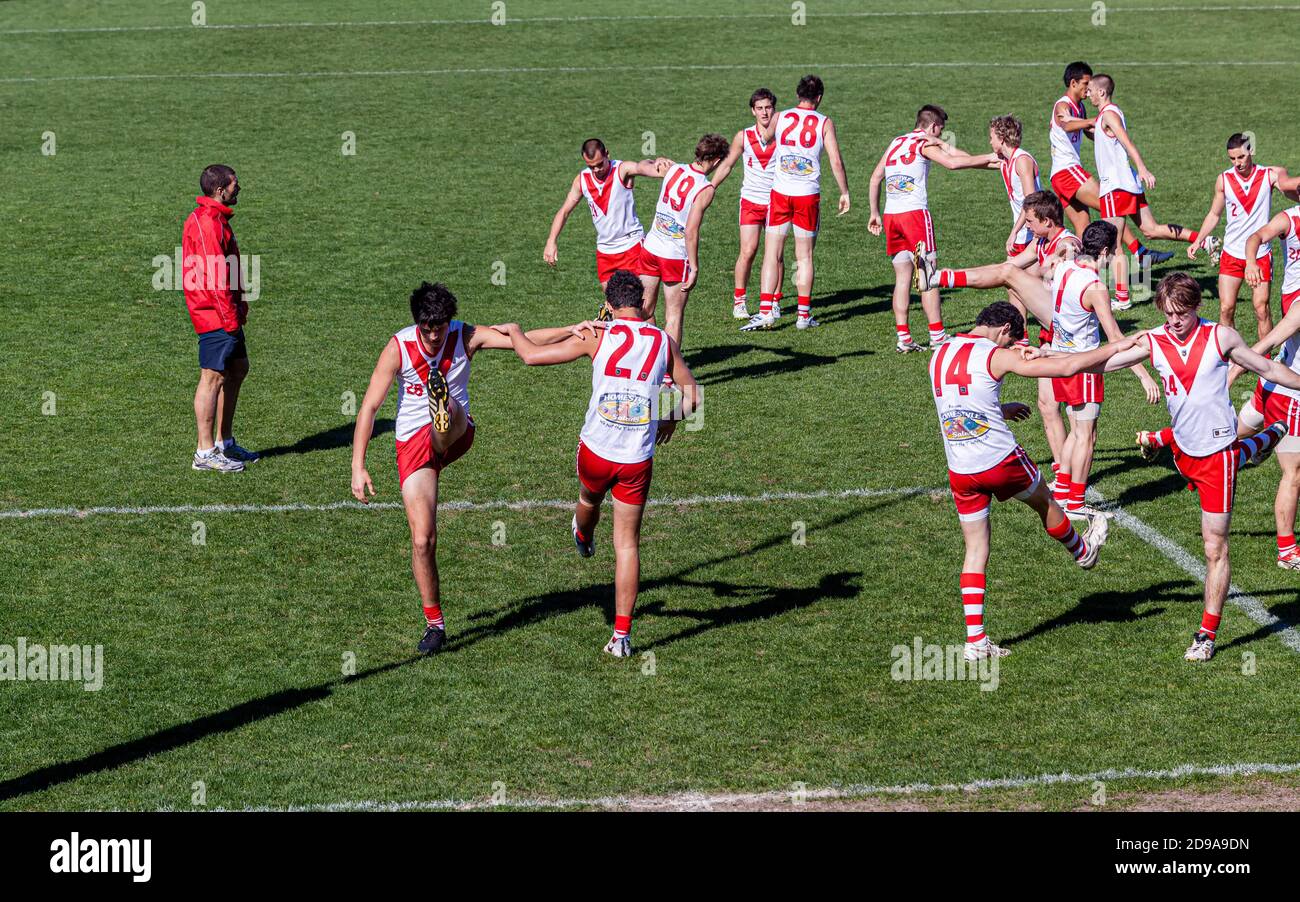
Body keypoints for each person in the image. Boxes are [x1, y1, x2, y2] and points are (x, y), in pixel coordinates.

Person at [350, 282, 597, 655]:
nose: (434, 336)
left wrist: (571, 329)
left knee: (450, 411)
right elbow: (369, 406)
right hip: (413, 447)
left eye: (439, 328)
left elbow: (524, 340)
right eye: (427, 329)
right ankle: (435, 625)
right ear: (417, 323)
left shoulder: (465, 335)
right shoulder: (398, 347)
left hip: (457, 431)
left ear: (448, 322)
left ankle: (442, 410)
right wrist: (358, 465)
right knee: (422, 539)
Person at [495, 270, 701, 656]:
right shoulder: (664, 341)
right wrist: (670, 418)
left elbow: (530, 356)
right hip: (636, 459)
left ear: (609, 305)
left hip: (596, 451)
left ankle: (584, 535)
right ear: (643, 303)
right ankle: (621, 637)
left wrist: (516, 330)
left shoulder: (598, 335)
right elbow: (694, 396)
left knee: (589, 499)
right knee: (627, 545)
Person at [930, 301, 1132, 660]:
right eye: (1012, 341)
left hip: (960, 467)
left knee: (975, 550)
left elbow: (957, 404)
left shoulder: (939, 352)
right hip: (1000, 459)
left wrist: (999, 409)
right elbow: (1066, 367)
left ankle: (975, 641)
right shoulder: (996, 354)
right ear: (1005, 330)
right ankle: (1082, 552)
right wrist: (1115, 346)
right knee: (1046, 503)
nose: (1011, 347)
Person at [1114, 273, 1300, 661]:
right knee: (1228, 449)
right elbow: (1101, 362)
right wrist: (1051, 359)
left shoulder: (1221, 337)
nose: (1173, 321)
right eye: (1167, 314)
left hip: (1217, 458)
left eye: (1180, 313)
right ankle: (1263, 439)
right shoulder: (1155, 339)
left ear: (1197, 306)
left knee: (1214, 547)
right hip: (1184, 452)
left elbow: (1267, 369)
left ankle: (1206, 634)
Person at [936, 191, 1080, 478]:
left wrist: (1055, 259)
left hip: (1067, 321)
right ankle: (1063, 474)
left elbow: (1071, 249)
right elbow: (1009, 266)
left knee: (1079, 417)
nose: (1027, 226)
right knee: (1047, 406)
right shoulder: (1041, 241)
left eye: (1030, 221)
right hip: (1052, 330)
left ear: (1048, 221)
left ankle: (941, 277)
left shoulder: (1066, 241)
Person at [867, 104, 998, 351]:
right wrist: (991, 157)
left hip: (891, 215)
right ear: (934, 127)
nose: (941, 135)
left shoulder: (896, 142)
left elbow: (875, 178)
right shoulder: (924, 144)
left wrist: (874, 213)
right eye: (941, 130)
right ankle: (937, 335)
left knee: (903, 277)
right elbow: (952, 164)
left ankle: (903, 338)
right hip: (914, 215)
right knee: (928, 274)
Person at [741, 74, 850, 332]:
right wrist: (844, 191)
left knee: (772, 253)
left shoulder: (781, 116)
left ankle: (765, 311)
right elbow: (835, 160)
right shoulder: (824, 122)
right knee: (804, 256)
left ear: (797, 95)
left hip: (780, 193)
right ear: (819, 98)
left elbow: (765, 138)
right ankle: (803, 315)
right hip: (807, 195)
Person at [1087, 73, 1199, 310]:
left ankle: (1123, 298)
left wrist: (1142, 168)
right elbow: (1105, 140)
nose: (1088, 94)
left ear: (1102, 92)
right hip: (1128, 184)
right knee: (1150, 229)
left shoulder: (1108, 114)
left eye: (1090, 91)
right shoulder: (1109, 114)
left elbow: (1127, 142)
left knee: (1113, 243)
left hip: (1115, 186)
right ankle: (1202, 239)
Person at [1228, 205, 1300, 569]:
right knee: (1294, 473)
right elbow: (1266, 343)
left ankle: (1180, 448)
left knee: (1229, 440)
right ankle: (1287, 550)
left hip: (1269, 387)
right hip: (1290, 394)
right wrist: (1230, 372)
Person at [1046, 61, 1172, 266]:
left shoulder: (1080, 108)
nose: (1088, 89)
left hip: (1060, 176)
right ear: (1073, 83)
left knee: (1084, 229)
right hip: (1067, 171)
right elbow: (1066, 125)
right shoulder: (1063, 105)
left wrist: (1105, 132)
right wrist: (1095, 120)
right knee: (1111, 208)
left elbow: (1090, 133)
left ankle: (1079, 273)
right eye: (1085, 84)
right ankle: (1139, 252)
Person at [183, 164, 258, 472]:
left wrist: (240, 305)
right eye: (234, 185)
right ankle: (204, 453)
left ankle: (225, 442)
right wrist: (230, 317)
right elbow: (214, 277)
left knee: (238, 368)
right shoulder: (208, 223)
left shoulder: (216, 219)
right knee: (212, 377)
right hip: (214, 313)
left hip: (226, 311)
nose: (238, 188)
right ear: (220, 190)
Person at [542, 139, 670, 310]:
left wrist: (657, 165)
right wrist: (551, 241)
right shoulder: (582, 180)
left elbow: (641, 167)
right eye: (591, 166)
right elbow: (564, 211)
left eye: (599, 164)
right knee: (616, 308)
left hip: (632, 247)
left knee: (639, 309)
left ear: (607, 154)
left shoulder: (621, 170)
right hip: (605, 253)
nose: (596, 170)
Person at [1187, 134, 1287, 335]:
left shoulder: (1268, 176)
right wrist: (1198, 240)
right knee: (1226, 308)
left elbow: (1290, 188)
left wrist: (1284, 175)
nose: (1237, 163)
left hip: (1259, 254)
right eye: (1232, 159)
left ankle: (1264, 354)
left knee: (1261, 309)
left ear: (1251, 151)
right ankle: (1230, 352)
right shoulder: (1224, 180)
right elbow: (1214, 214)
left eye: (1241, 157)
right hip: (1231, 253)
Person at [640, 134, 729, 350]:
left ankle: (647, 360)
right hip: (674, 256)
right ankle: (670, 369)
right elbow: (691, 231)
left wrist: (656, 159)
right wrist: (694, 267)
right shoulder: (705, 189)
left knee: (644, 309)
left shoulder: (673, 169)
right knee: (674, 315)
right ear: (716, 161)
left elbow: (648, 165)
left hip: (650, 248)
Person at [710, 88, 785, 320]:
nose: (764, 112)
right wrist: (711, 187)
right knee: (748, 250)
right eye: (759, 108)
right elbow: (727, 165)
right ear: (753, 111)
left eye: (768, 107)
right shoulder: (743, 136)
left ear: (774, 109)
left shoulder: (783, 134)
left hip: (777, 202)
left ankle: (774, 301)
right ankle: (739, 300)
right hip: (751, 201)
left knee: (776, 255)